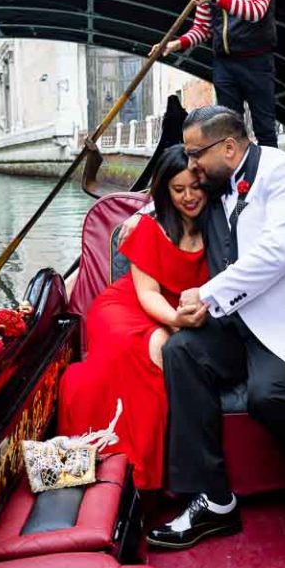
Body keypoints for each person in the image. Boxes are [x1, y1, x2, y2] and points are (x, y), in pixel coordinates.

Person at [147, 104, 285, 549]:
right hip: (242, 322)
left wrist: (206, 294)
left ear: (228, 146)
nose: (191, 165)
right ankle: (213, 498)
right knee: (181, 350)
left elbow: (275, 255)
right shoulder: (218, 184)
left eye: (195, 155)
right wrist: (144, 215)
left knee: (270, 395)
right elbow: (175, 205)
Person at [58, 145, 209, 490]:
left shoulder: (219, 223)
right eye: (178, 189)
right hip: (128, 307)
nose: (189, 197)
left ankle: (146, 472)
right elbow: (147, 295)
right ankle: (128, 468)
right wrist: (178, 322)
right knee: (148, 347)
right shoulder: (148, 228)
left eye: (195, 188)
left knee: (161, 350)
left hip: (179, 306)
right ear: (165, 192)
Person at [155, 0, 278, 147]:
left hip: (256, 63)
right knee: (228, 131)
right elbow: (202, 29)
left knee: (265, 130)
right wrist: (176, 43)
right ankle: (234, 181)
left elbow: (256, 10)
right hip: (225, 66)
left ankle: (269, 179)